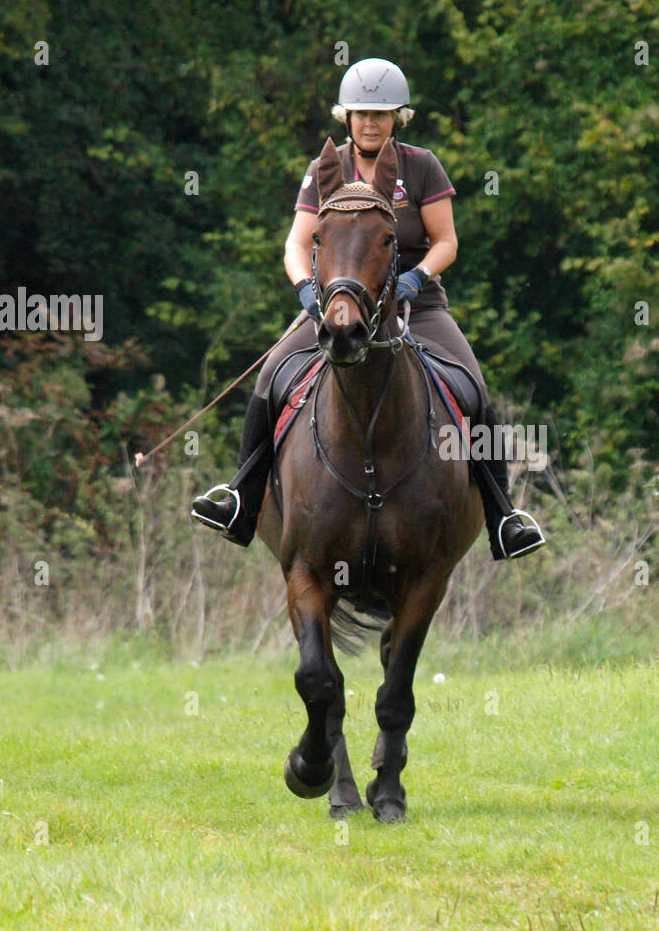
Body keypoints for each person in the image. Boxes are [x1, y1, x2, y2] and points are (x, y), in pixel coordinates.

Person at [191, 58, 545, 561]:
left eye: (381, 114)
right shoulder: (326, 169)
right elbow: (297, 243)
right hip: (337, 307)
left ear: (398, 117)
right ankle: (241, 500)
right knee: (271, 374)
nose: (370, 123)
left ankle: (503, 517)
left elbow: (446, 241)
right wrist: (304, 292)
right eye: (361, 114)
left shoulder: (421, 166)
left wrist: (415, 277)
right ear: (346, 117)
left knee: (472, 384)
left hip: (414, 305)